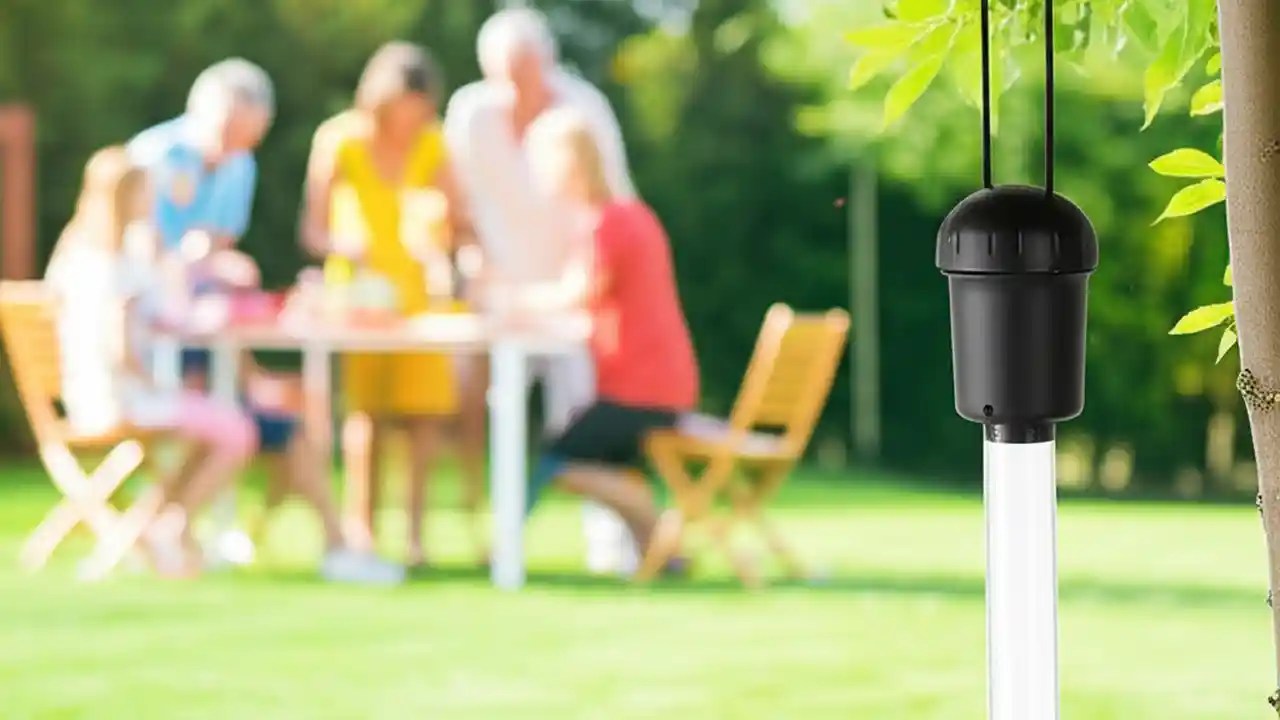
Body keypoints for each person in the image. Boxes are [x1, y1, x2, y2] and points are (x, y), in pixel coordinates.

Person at [444, 7, 639, 575]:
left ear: (548, 62)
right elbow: (459, 207)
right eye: (505, 75)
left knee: (579, 423)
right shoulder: (471, 114)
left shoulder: (584, 108)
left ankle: (611, 547)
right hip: (503, 302)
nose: (517, 89)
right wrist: (474, 264)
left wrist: (594, 291)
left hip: (573, 304)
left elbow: (612, 206)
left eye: (526, 73)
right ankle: (498, 542)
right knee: (487, 414)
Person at [301, 42, 478, 569]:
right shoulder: (340, 141)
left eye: (421, 111)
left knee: (425, 415)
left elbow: (457, 221)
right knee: (367, 416)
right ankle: (362, 533)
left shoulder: (434, 145)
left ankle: (414, 535)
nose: (413, 121)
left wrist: (446, 247)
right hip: (360, 296)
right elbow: (312, 228)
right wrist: (342, 245)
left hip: (420, 298)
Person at [46, 148, 258, 577]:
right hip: (124, 399)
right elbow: (120, 346)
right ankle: (170, 526)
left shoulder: (74, 258)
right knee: (237, 431)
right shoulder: (119, 263)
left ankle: (153, 525)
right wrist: (160, 387)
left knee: (207, 429)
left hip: (81, 395)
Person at [522, 109, 699, 568]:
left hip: (642, 389)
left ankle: (661, 533)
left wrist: (508, 301)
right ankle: (662, 555)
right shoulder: (624, 216)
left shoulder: (610, 222)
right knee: (606, 462)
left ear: (570, 162)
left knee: (557, 460)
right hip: (656, 384)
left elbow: (576, 295)